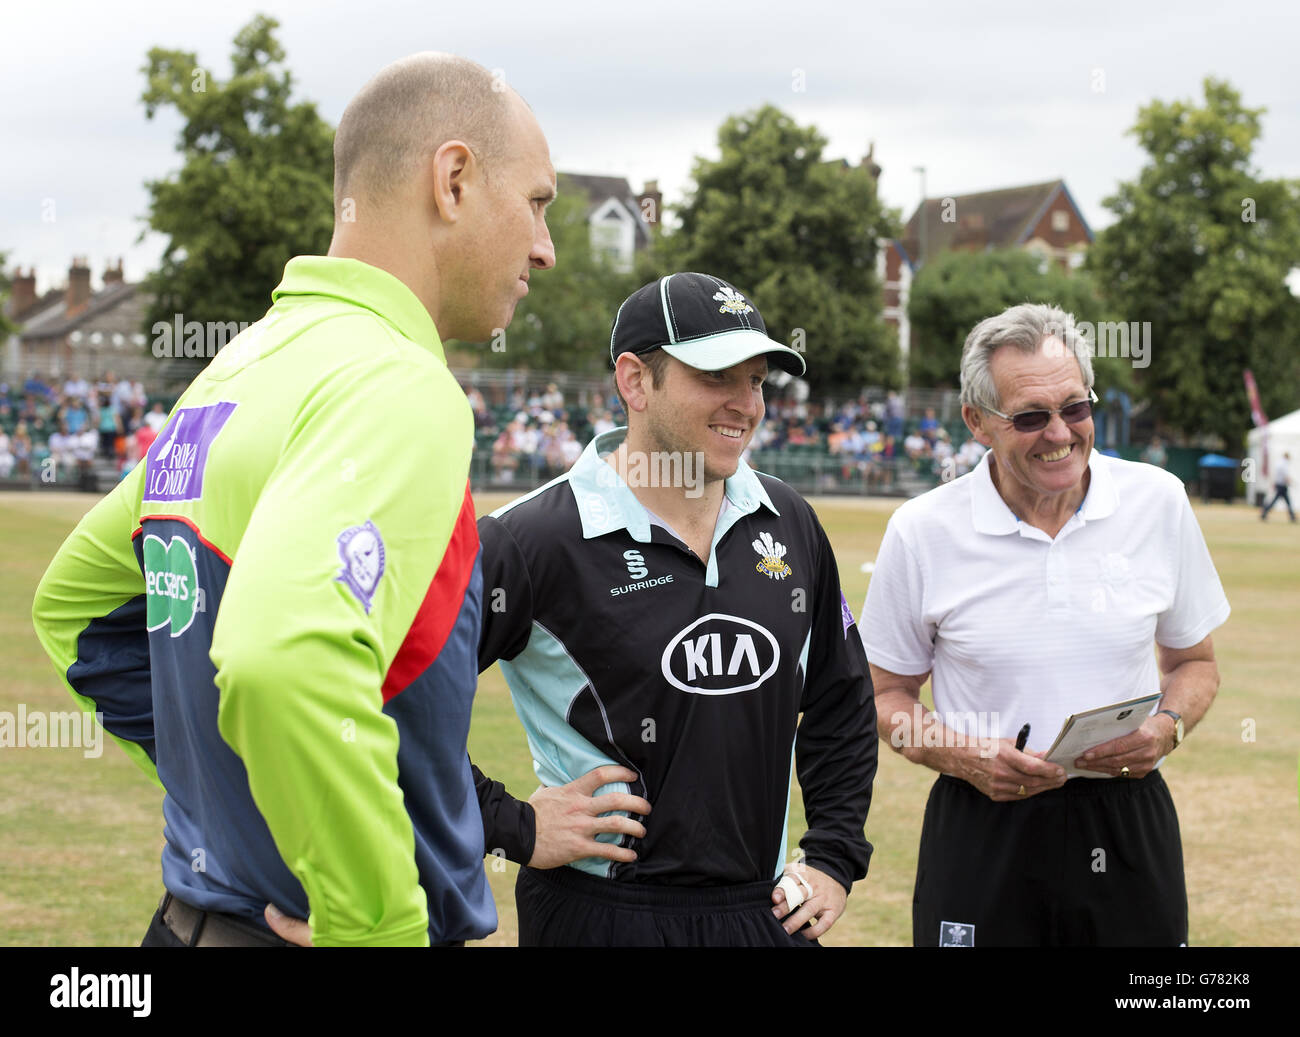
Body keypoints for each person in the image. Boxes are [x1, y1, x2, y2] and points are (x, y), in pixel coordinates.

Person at [31, 51, 557, 947]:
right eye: (539, 203)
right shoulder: (400, 382)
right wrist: (376, 925)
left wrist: (244, 804)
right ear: (455, 180)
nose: (545, 247)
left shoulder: (234, 369)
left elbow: (75, 606)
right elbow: (283, 661)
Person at [471, 272, 877, 946]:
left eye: (757, 380)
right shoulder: (529, 539)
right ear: (635, 381)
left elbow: (842, 697)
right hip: (600, 916)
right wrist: (513, 825)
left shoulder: (792, 522)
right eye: (718, 376)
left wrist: (834, 855)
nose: (745, 404)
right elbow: (391, 700)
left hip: (764, 913)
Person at [860, 302, 1228, 947]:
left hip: (1126, 814)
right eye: (1030, 417)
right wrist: (965, 756)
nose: (1059, 433)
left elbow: (1194, 663)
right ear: (977, 423)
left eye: (1075, 408)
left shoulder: (1157, 500)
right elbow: (885, 695)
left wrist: (1166, 730)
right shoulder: (921, 531)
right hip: (982, 817)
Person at [1259, 451, 1294, 522]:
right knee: (1286, 502)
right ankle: (1292, 516)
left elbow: (1276, 475)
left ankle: (1264, 513)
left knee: (1278, 501)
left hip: (1279, 485)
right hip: (1282, 486)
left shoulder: (1279, 463)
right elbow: (1285, 476)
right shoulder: (1284, 464)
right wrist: (1290, 482)